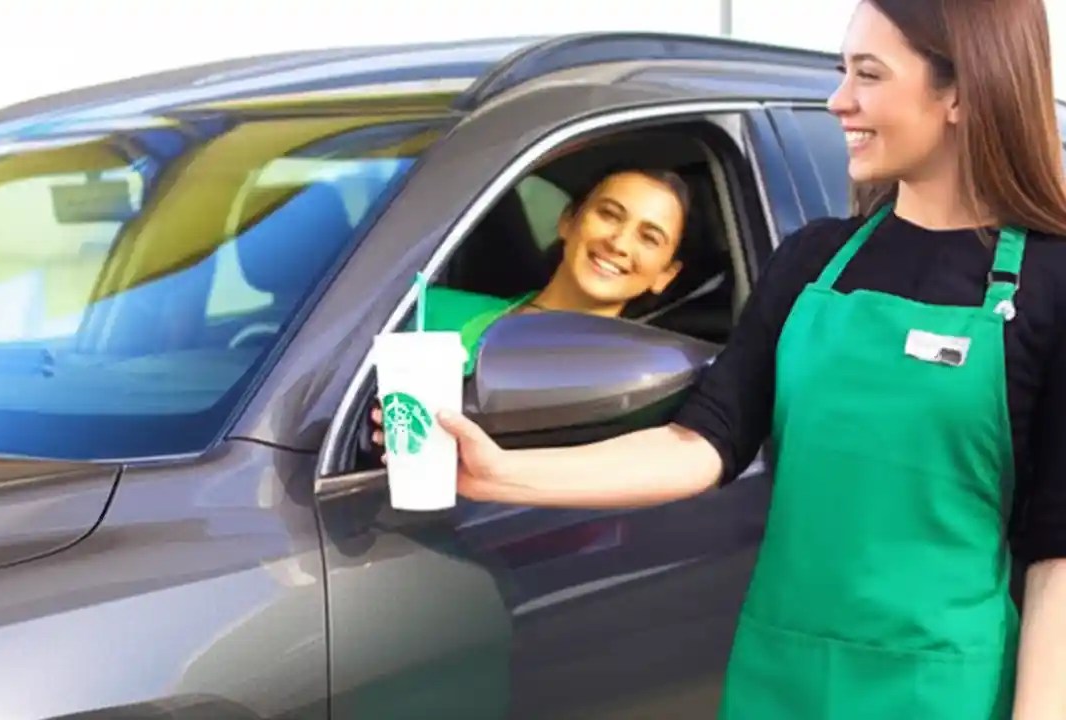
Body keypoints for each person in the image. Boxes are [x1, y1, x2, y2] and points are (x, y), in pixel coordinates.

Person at [378, 0, 1066, 717]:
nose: (840, 101)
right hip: (779, 675)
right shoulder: (812, 261)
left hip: (941, 689)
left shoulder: (1051, 285)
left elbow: (1059, 558)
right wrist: (500, 473)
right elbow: (702, 442)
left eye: (868, 74)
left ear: (960, 91)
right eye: (842, 71)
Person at [420, 166, 690, 375]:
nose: (618, 243)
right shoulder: (430, 310)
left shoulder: (638, 379)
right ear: (568, 221)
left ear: (665, 275)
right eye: (609, 214)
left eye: (649, 238)